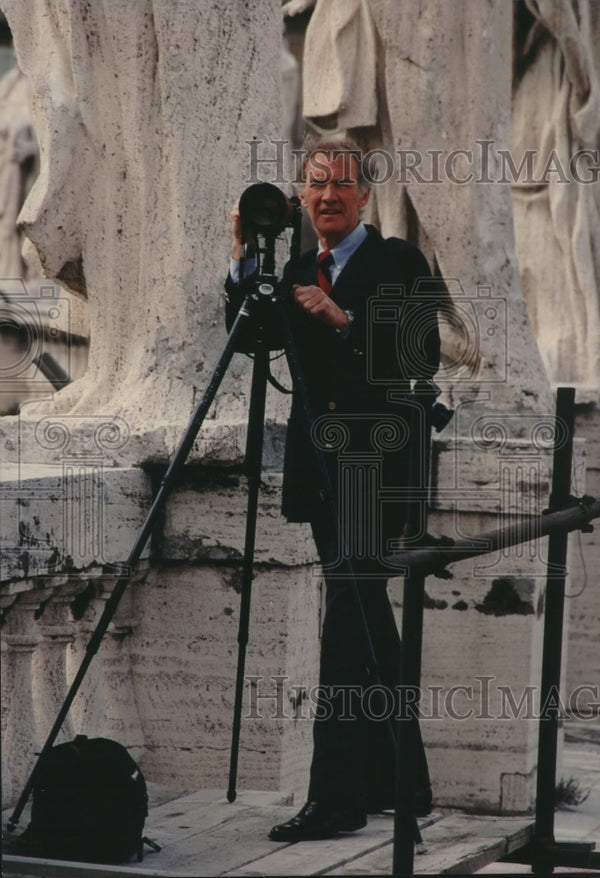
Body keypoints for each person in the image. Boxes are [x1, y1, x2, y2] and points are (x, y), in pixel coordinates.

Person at [225, 140, 440, 842]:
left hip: (377, 471)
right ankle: (402, 781)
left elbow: (419, 356)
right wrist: (242, 264)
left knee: (346, 628)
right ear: (302, 198)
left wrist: (343, 321)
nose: (327, 198)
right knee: (367, 617)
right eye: (314, 187)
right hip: (322, 473)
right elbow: (251, 341)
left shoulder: (398, 260)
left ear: (365, 196)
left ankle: (337, 798)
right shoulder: (290, 267)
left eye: (340, 186)